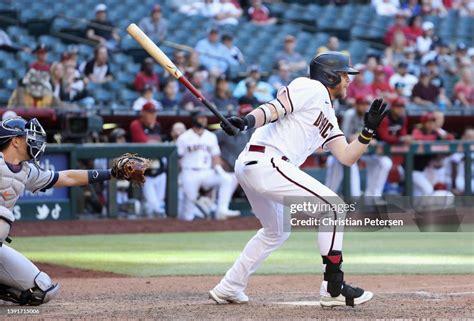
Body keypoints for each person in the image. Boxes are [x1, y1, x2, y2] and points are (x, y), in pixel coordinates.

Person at [211, 52, 387, 306]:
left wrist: (367, 132)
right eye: (345, 74)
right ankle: (333, 288)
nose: (349, 80)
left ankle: (229, 286)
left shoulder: (328, 112)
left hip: (257, 165)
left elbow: (347, 157)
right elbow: (275, 108)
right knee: (334, 207)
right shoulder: (311, 87)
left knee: (276, 231)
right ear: (329, 76)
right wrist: (248, 120)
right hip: (268, 162)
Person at [0, 117, 141, 306]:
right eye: (28, 136)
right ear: (15, 141)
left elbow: (67, 177)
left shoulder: (26, 170)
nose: (35, 141)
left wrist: (113, 173)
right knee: (4, 216)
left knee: (41, 290)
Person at [176, 109, 240, 221]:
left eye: (204, 117)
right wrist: (179, 175)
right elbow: (178, 158)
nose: (204, 119)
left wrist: (219, 170)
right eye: (200, 117)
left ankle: (222, 210)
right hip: (189, 172)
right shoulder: (184, 137)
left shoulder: (210, 136)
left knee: (227, 179)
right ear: (194, 119)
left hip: (206, 172)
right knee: (188, 213)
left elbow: (216, 157)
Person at [326, 96, 392, 198]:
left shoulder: (370, 114)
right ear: (356, 105)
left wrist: (368, 137)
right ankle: (348, 198)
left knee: (385, 162)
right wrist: (360, 137)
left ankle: (373, 196)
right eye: (361, 104)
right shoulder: (349, 114)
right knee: (334, 185)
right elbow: (345, 136)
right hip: (343, 152)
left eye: (366, 104)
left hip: (364, 152)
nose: (364, 107)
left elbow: (374, 137)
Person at [129, 103, 166, 217]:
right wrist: (158, 144)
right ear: (143, 113)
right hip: (144, 173)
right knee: (153, 207)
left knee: (158, 204)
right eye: (150, 113)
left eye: (154, 113)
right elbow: (145, 143)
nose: (153, 115)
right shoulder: (136, 124)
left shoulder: (157, 126)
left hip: (159, 171)